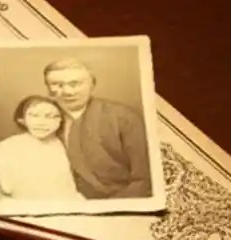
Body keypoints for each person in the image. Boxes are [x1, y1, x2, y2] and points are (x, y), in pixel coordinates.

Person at [42, 58, 153, 199]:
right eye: (57, 85)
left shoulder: (123, 118)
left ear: (92, 84)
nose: (68, 92)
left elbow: (145, 179)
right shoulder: (41, 121)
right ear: (47, 88)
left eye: (75, 84)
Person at [0, 95, 82, 201]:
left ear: (61, 121)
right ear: (22, 119)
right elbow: (5, 187)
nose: (42, 122)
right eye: (34, 115)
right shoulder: (6, 148)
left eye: (51, 116)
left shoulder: (64, 145)